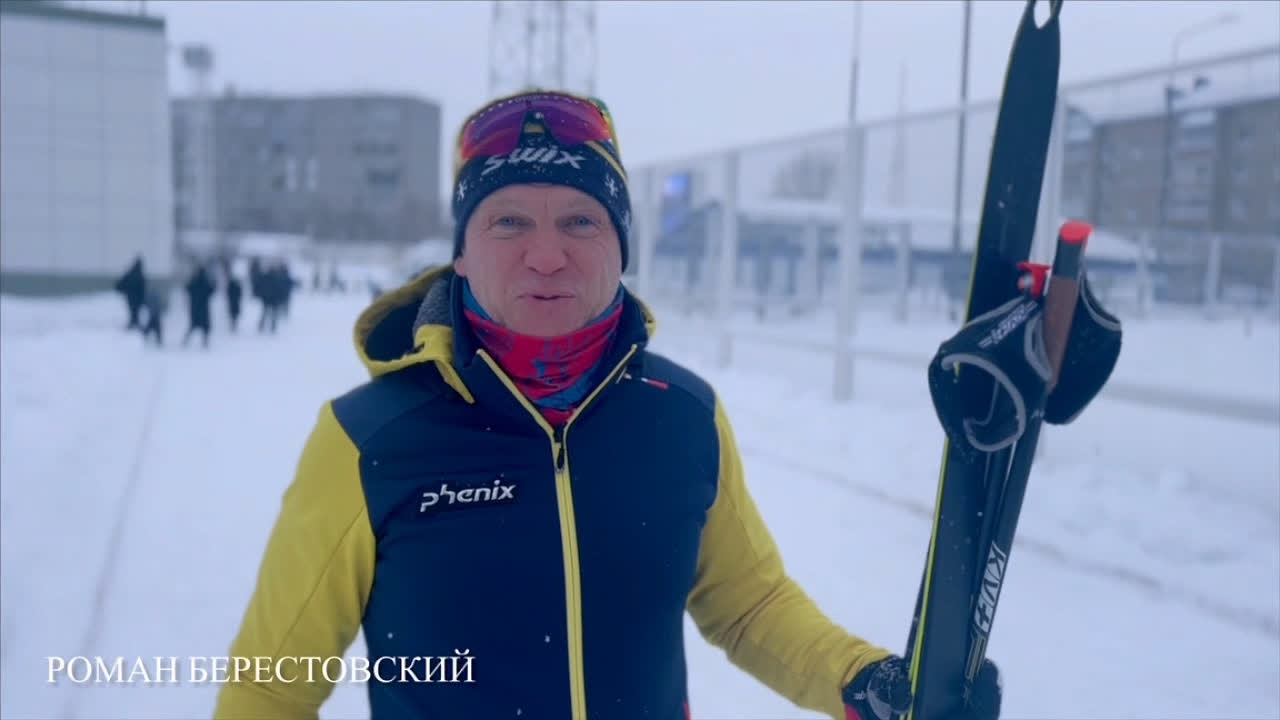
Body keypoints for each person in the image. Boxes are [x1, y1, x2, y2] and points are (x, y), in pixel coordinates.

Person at [214, 90, 1002, 720]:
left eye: (581, 221)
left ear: (622, 245)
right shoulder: (371, 438)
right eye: (509, 220)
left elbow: (749, 603)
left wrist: (863, 680)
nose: (547, 253)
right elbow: (270, 689)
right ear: (461, 251)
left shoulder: (681, 415)